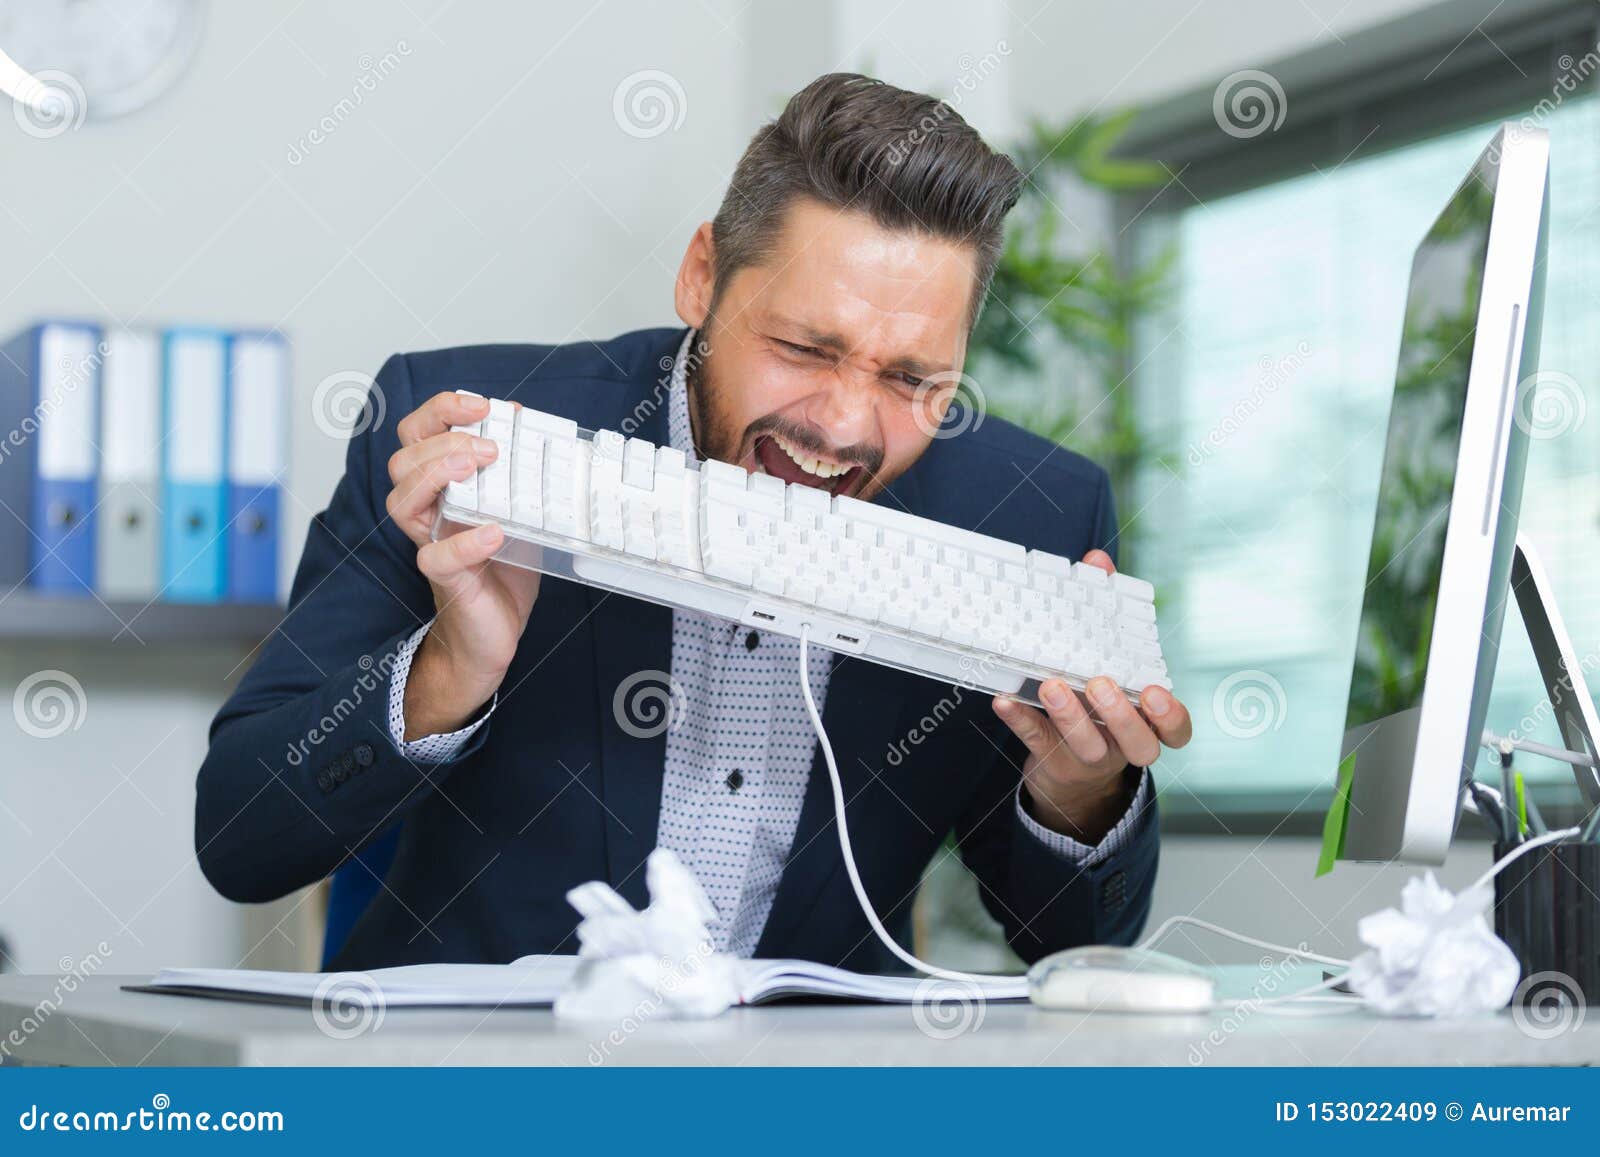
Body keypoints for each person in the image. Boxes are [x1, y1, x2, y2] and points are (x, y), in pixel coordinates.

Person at [196, 72, 1192, 971]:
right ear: (701, 278)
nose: (846, 426)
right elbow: (241, 837)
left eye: (911, 378)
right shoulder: (466, 438)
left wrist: (1075, 792)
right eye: (804, 346)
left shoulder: (1031, 509)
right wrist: (449, 668)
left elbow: (1080, 949)